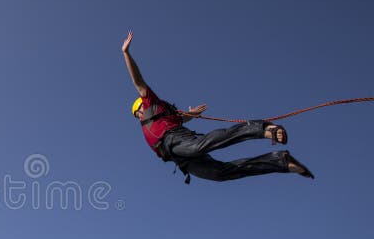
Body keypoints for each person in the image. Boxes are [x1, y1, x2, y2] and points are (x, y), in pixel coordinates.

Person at [121, 30, 314, 182]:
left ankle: (262, 128)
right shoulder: (155, 120)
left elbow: (137, 81)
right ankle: (281, 162)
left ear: (143, 104)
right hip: (180, 158)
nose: (138, 113)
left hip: (176, 140)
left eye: (138, 108)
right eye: (135, 113)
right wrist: (191, 115)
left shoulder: (151, 104)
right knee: (220, 174)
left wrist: (126, 54)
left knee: (199, 146)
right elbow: (180, 118)